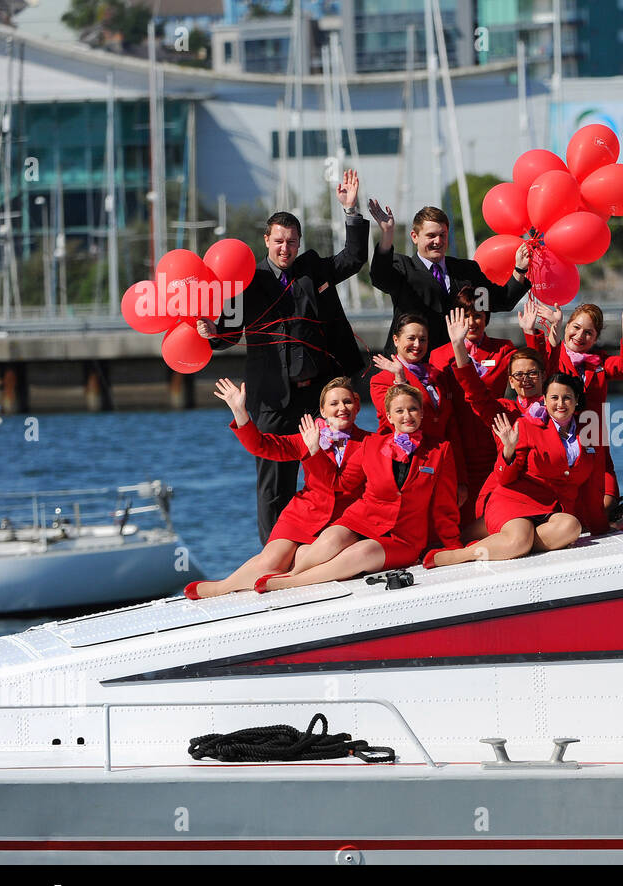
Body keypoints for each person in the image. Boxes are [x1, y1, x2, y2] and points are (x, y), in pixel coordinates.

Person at [199, 169, 369, 544]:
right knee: (274, 483)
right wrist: (211, 333)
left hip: (316, 396)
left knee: (324, 474)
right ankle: (272, 554)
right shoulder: (249, 279)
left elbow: (355, 258)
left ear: (298, 243)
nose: (285, 248)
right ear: (267, 241)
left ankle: (321, 546)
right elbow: (228, 332)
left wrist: (351, 210)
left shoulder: (313, 268)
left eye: (291, 242)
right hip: (272, 399)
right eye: (279, 241)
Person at [257, 382, 461, 592]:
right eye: (399, 411)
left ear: (422, 413)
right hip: (363, 520)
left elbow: (444, 506)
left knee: (362, 553)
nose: (407, 415)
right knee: (332, 537)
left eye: (413, 409)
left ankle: (291, 582)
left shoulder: (441, 450)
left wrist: (453, 547)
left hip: (403, 538)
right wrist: (314, 451)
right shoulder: (371, 445)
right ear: (389, 417)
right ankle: (293, 572)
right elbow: (340, 483)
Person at [186, 377, 370, 599]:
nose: (342, 408)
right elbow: (262, 446)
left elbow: (342, 485)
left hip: (341, 523)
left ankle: (287, 577)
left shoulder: (370, 443)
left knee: (309, 557)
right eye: (334, 404)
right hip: (303, 515)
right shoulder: (308, 437)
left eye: (347, 402)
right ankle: (220, 588)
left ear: (357, 405)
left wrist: (315, 452)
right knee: (270, 560)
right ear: (322, 410)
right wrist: (240, 412)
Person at [428, 373, 608, 568]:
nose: (560, 403)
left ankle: (515, 543)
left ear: (576, 400)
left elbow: (594, 483)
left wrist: (602, 527)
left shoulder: (589, 431)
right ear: (545, 400)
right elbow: (504, 478)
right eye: (554, 398)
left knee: (571, 527)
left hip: (553, 509)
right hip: (515, 501)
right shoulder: (526, 426)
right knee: (517, 541)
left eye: (567, 397)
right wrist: (508, 451)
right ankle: (459, 555)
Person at [526, 300, 623, 510]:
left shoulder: (599, 363)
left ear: (595, 338)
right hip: (562, 451)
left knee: (608, 505)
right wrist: (553, 326)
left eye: (588, 332)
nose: (579, 336)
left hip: (595, 446)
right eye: (576, 328)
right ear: (567, 327)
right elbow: (542, 360)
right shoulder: (554, 358)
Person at [367, 200, 532, 353]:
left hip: (453, 365)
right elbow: (380, 277)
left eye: (443, 235)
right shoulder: (403, 267)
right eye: (431, 235)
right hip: (411, 365)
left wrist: (520, 269)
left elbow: (500, 300)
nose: (438, 241)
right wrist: (387, 234)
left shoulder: (467, 270)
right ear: (415, 237)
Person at [444, 308, 549, 535]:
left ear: (542, 376)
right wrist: (458, 345)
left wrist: (530, 332)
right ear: (510, 382)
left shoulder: (557, 409)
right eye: (519, 376)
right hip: (506, 493)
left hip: (545, 497)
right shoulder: (504, 411)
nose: (526, 380)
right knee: (519, 537)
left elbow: (544, 362)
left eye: (532, 374)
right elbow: (474, 391)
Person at [368, 313, 467, 505]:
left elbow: (451, 429)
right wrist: (400, 378)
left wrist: (461, 478)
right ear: (396, 340)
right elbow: (399, 419)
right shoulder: (381, 380)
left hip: (440, 463)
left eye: (423, 339)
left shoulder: (437, 376)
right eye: (411, 338)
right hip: (405, 470)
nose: (417, 345)